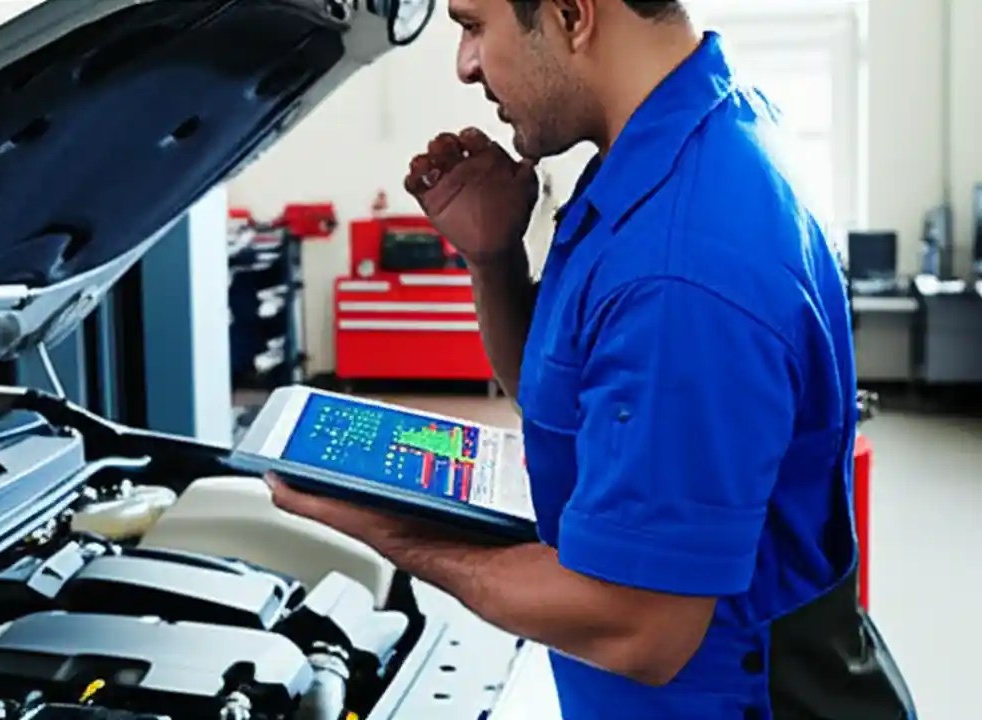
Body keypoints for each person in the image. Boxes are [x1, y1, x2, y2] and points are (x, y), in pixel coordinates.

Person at [269, 0, 917, 718]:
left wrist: (393, 532)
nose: (464, 65)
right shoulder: (667, 149)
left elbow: (640, 626)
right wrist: (493, 260)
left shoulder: (682, 261)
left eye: (472, 25)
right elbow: (564, 403)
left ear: (572, 14)